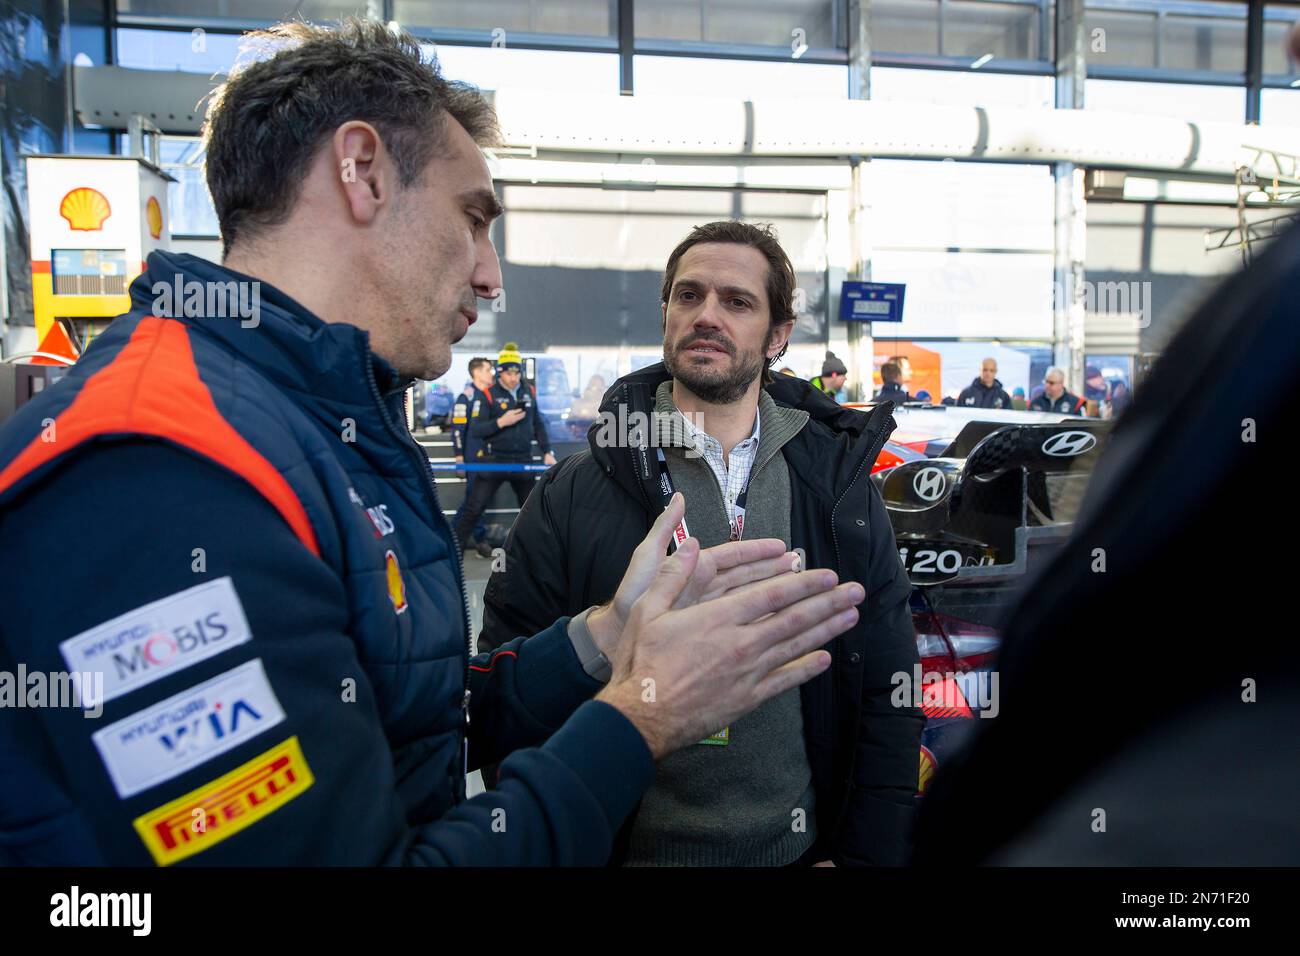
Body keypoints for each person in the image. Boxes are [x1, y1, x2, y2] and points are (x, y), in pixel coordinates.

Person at [0, 20, 863, 866]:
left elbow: (417, 722)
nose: (491, 275)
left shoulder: (317, 422)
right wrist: (644, 715)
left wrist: (604, 635)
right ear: (362, 171)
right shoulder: (161, 469)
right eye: (474, 218)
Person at [480, 220, 923, 867]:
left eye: (736, 301)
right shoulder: (577, 489)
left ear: (776, 337)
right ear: (665, 313)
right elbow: (509, 702)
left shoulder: (838, 490)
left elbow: (889, 686)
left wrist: (862, 856)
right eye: (688, 296)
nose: (706, 314)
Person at [452, 342, 555, 554]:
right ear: (501, 372)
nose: (514, 377)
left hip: (523, 461)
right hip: (494, 461)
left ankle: (539, 555)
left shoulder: (529, 391)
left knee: (533, 511)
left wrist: (546, 451)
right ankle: (453, 552)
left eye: (517, 372)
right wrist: (502, 422)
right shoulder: (487, 394)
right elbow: (476, 430)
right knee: (473, 508)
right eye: (509, 372)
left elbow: (538, 424)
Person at [450, 357, 494, 553]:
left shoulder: (490, 395)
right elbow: (457, 429)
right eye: (487, 370)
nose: (490, 374)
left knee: (477, 500)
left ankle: (471, 537)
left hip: (489, 457)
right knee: (473, 501)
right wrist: (459, 456)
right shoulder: (466, 396)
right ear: (476, 373)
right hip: (471, 457)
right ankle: (459, 537)